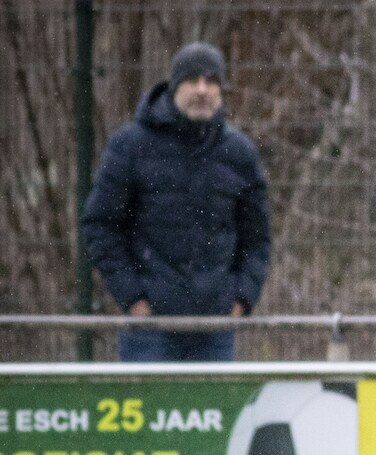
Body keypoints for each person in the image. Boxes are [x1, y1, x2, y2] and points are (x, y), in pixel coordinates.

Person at [82, 41, 270, 361]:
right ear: (173, 86)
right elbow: (100, 226)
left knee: (213, 399)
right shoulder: (130, 146)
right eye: (192, 80)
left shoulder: (240, 153)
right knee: (150, 397)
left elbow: (257, 238)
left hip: (216, 328)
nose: (202, 90)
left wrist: (240, 301)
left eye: (211, 81)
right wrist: (134, 299)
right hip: (149, 329)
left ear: (221, 90)